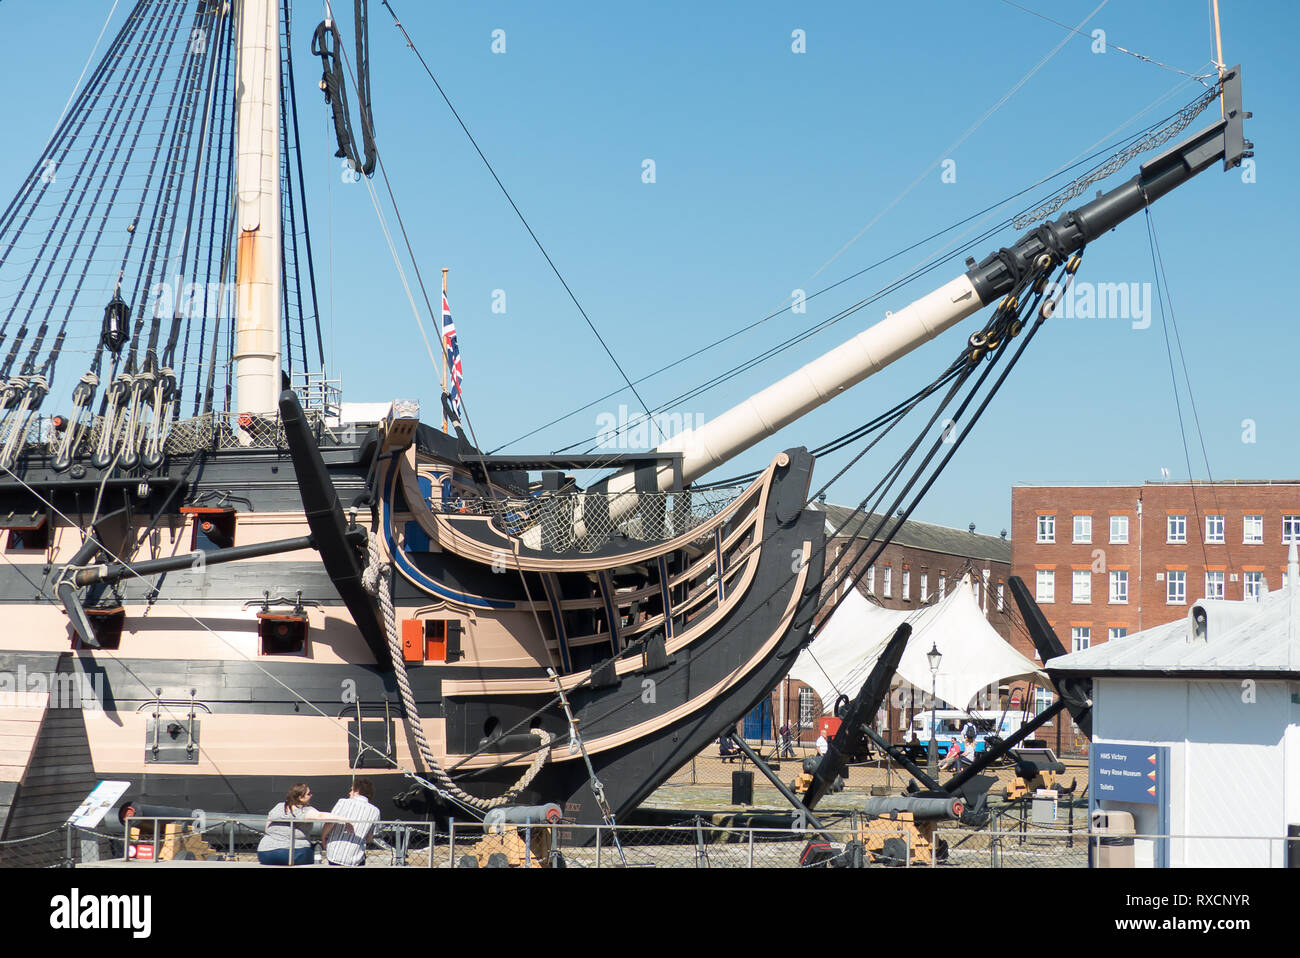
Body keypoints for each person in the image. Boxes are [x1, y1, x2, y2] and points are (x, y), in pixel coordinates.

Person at [257, 783, 323, 865]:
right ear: (300, 798)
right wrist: (343, 819)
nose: (311, 795)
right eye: (309, 794)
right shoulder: (305, 810)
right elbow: (321, 816)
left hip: (264, 853)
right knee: (314, 849)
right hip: (292, 853)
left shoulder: (279, 806)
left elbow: (267, 828)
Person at [321, 778, 381, 867]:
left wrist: (323, 838)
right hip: (356, 856)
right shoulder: (375, 811)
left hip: (335, 853)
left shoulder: (342, 802)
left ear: (357, 791)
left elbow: (330, 823)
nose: (349, 793)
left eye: (351, 790)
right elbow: (369, 837)